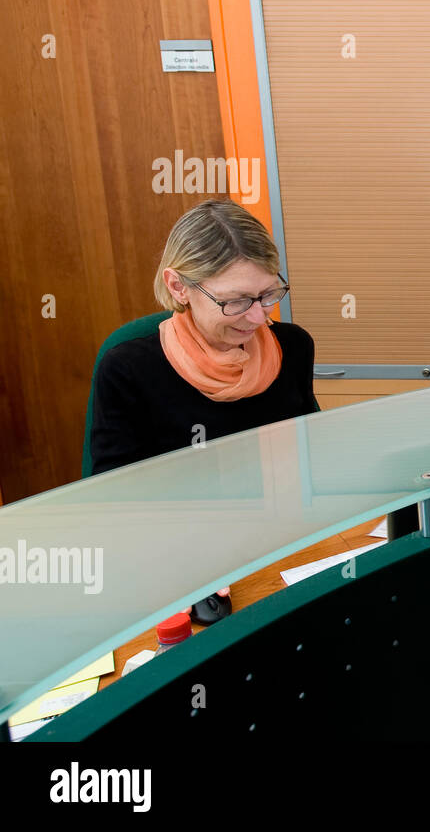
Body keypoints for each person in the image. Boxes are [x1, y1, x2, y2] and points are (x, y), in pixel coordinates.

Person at [89, 199, 318, 618]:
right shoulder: (129, 369)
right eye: (235, 300)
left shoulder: (294, 348)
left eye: (267, 294)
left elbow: (315, 459)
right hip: (184, 576)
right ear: (178, 287)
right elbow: (114, 503)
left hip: (287, 553)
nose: (256, 316)